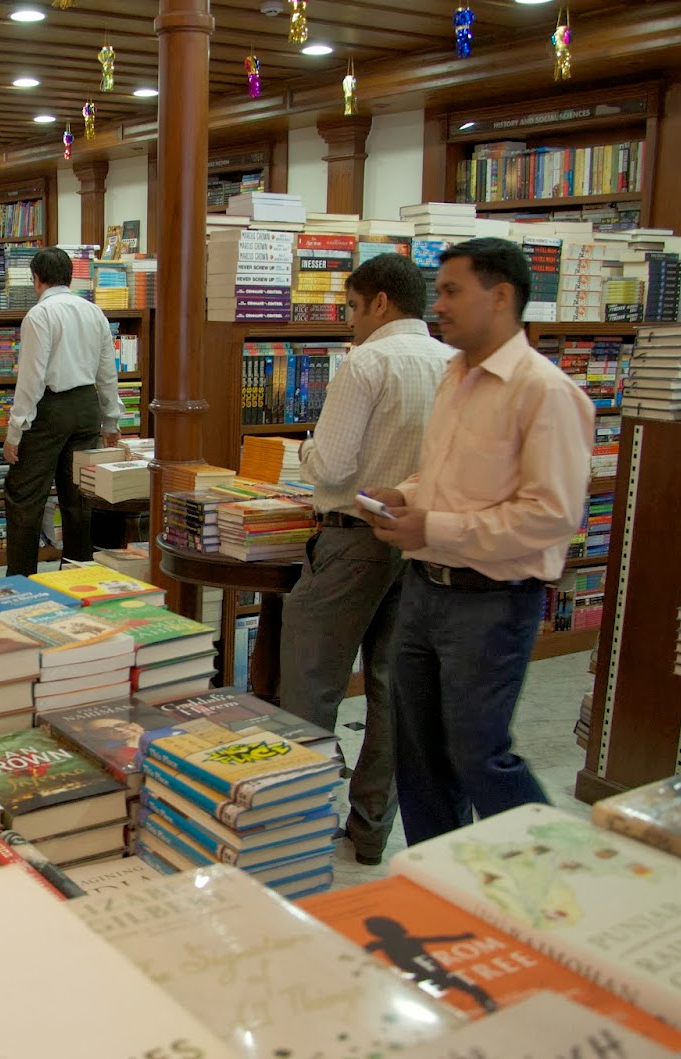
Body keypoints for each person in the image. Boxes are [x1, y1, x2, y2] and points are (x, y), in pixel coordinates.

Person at [361, 237, 593, 845]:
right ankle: (443, 875)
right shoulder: (454, 375)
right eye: (437, 291)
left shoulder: (545, 393)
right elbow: (445, 478)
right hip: (423, 589)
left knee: (478, 753)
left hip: (492, 600)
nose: (437, 305)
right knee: (418, 755)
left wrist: (432, 527)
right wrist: (405, 495)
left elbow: (552, 515)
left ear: (501, 296)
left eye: (452, 291)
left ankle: (544, 870)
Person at [278, 253, 452, 866]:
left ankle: (297, 825)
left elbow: (331, 466)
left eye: (352, 307)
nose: (350, 321)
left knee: (310, 685)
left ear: (380, 302)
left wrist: (305, 451)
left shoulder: (367, 361)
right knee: (393, 688)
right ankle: (372, 830)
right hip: (421, 540)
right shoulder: (453, 363)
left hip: (352, 538)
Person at [2, 248, 125, 576]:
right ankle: (77, 576)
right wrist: (111, 420)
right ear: (70, 278)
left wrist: (15, 431)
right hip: (87, 406)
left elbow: (31, 380)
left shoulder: (39, 315)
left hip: (50, 410)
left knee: (25, 496)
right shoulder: (95, 313)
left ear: (36, 279)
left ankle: (22, 580)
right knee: (79, 497)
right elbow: (107, 372)